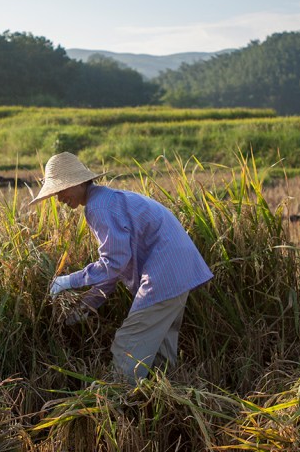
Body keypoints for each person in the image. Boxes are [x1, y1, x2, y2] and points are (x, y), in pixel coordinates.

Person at [31, 152, 213, 383]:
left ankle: (118, 398)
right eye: (56, 193)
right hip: (179, 272)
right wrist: (87, 306)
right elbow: (114, 269)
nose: (59, 199)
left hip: (164, 273)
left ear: (78, 183)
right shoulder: (107, 200)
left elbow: (113, 263)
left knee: (129, 344)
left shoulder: (98, 207)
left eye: (61, 190)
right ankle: (168, 396)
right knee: (160, 349)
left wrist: (69, 281)